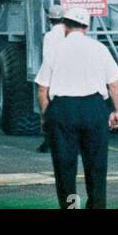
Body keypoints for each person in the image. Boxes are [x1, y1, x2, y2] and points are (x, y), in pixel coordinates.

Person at [35, 3, 118, 210]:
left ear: (65, 26)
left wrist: (45, 115)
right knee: (96, 166)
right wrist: (116, 110)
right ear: (86, 27)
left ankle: (71, 207)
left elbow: (42, 89)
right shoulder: (99, 48)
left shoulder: (55, 50)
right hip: (93, 108)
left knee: (65, 167)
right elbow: (114, 85)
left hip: (63, 110)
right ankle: (96, 206)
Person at [37, 9, 68, 153]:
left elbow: (47, 56)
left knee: (49, 106)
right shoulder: (68, 34)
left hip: (53, 73)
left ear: (50, 20)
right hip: (69, 72)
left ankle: (49, 141)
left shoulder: (48, 36)